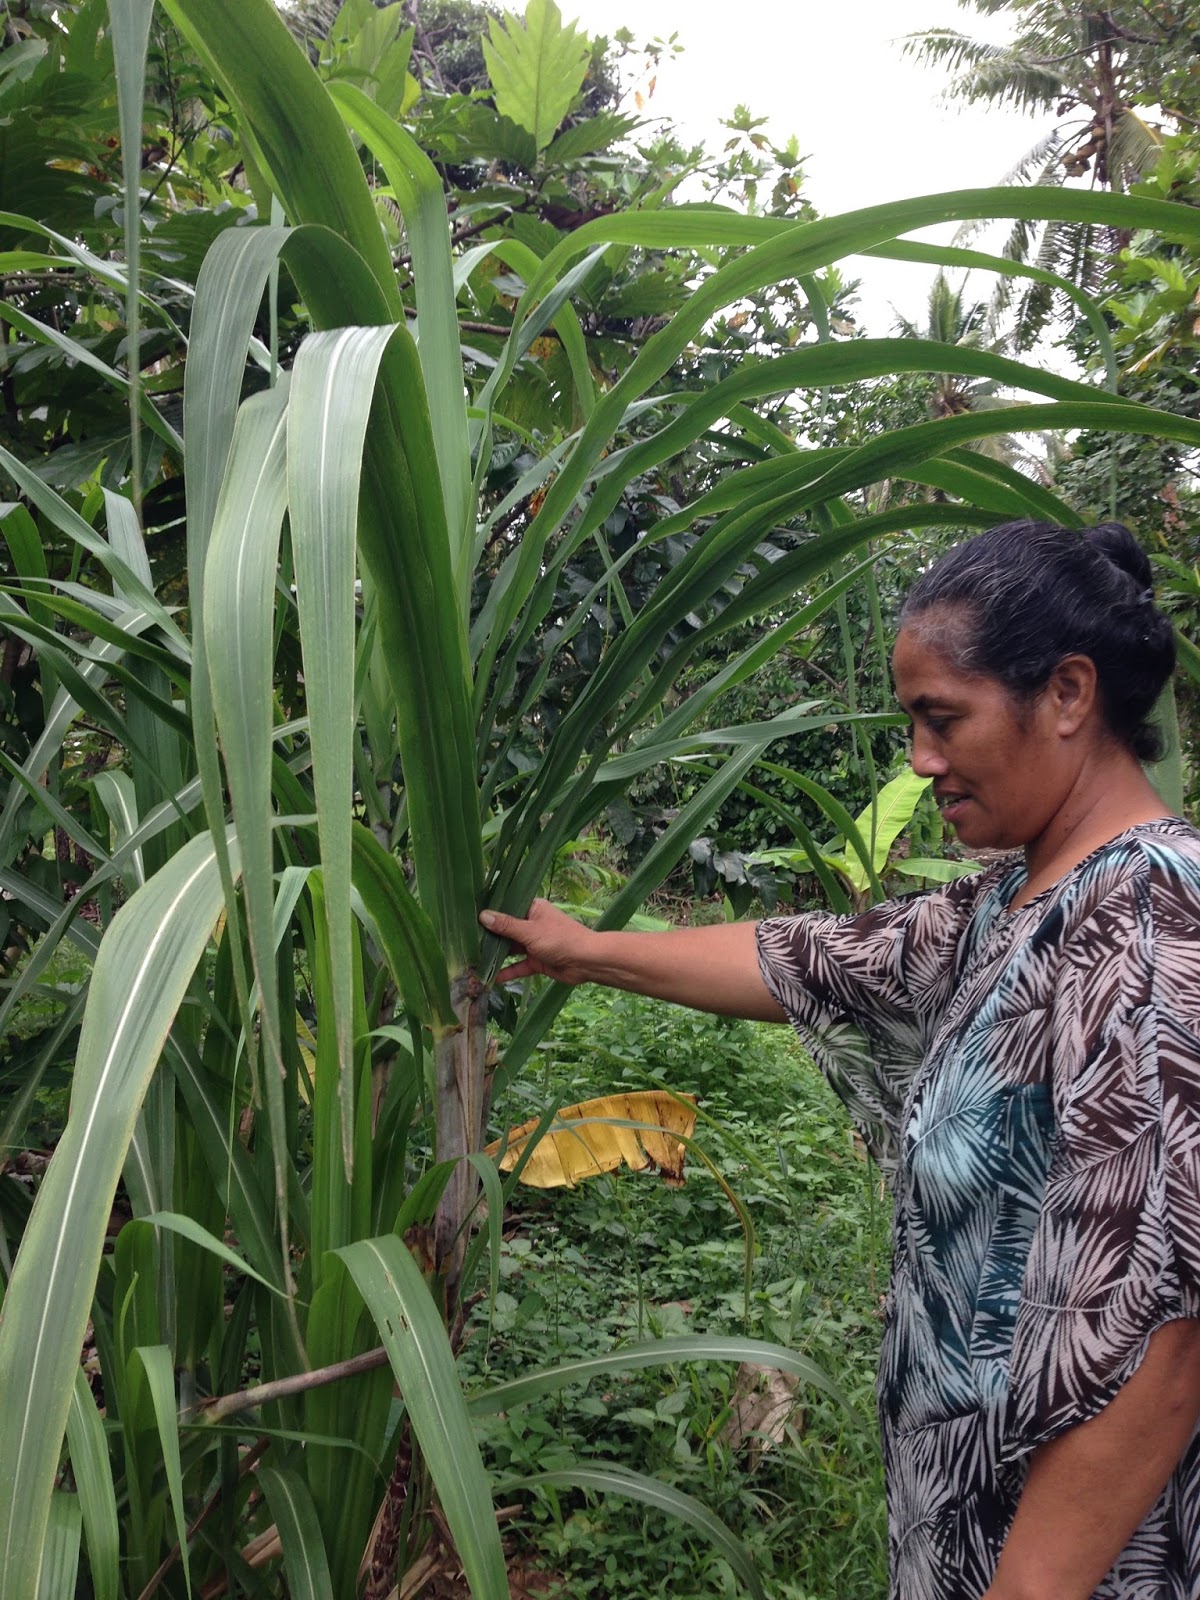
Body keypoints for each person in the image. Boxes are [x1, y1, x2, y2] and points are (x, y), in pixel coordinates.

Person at [480, 520, 1200, 1600]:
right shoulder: (1019, 898)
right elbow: (813, 957)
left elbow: (1164, 1336)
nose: (919, 760)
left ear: (1066, 693)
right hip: (974, 1526)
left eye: (941, 718)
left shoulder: (1144, 929)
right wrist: (584, 950)